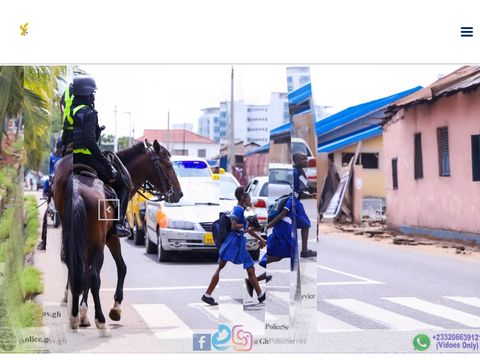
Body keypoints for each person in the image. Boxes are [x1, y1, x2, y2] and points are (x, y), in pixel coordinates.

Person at [71, 75, 130, 237]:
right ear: (88, 93)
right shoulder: (89, 113)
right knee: (123, 183)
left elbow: (65, 137)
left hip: (71, 159)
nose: (93, 96)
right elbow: (90, 141)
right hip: (87, 159)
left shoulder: (72, 111)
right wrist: (106, 164)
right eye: (93, 93)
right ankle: (119, 223)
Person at [202, 187, 266, 305]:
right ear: (242, 198)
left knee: (250, 267)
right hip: (233, 243)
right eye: (248, 198)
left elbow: (245, 230)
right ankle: (207, 294)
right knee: (221, 267)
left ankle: (261, 295)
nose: (249, 200)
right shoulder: (238, 210)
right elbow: (233, 226)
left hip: (238, 242)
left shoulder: (240, 210)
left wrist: (260, 238)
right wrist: (246, 227)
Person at [244, 196, 295, 296]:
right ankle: (254, 278)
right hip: (284, 229)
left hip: (283, 229)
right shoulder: (292, 200)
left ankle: (254, 280)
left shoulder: (292, 198)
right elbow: (282, 215)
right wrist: (269, 225)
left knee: (279, 255)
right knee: (284, 253)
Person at [292, 152, 317, 258]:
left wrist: (310, 196)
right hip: (294, 202)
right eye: (303, 159)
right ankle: (304, 250)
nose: (306, 161)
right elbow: (299, 191)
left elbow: (299, 191)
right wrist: (310, 195)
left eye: (306, 159)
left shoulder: (297, 171)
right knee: (305, 223)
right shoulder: (297, 172)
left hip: (294, 200)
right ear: (296, 160)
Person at [60, 83, 74, 156]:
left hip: (67, 127)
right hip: (77, 127)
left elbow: (60, 101)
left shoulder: (66, 91)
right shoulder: (80, 90)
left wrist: (63, 113)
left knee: (64, 150)